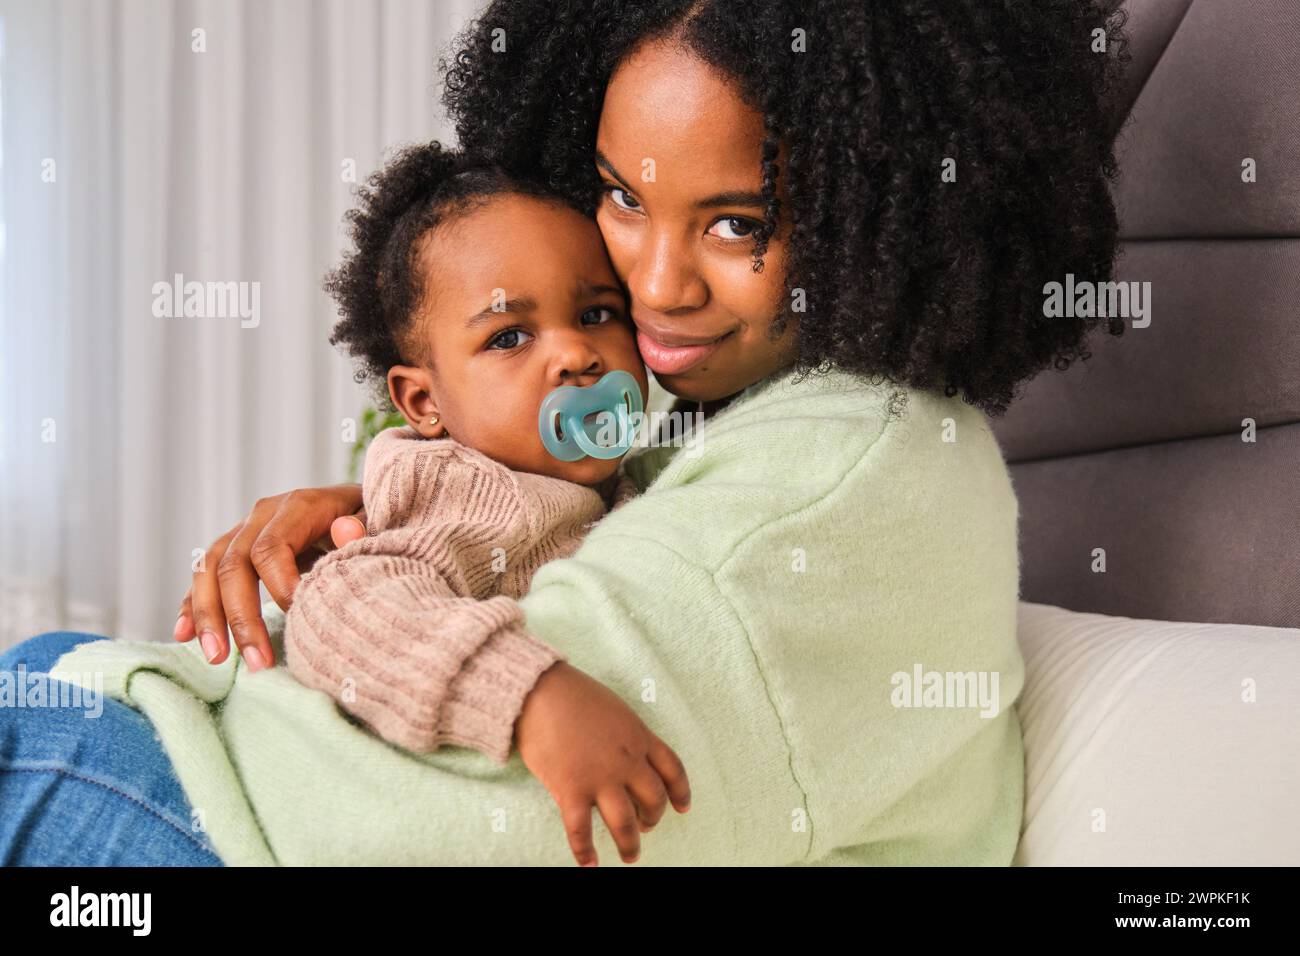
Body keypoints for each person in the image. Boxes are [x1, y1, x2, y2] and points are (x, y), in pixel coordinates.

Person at [1, 0, 1128, 866]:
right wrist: (359, 510)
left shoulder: (846, 467)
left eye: (738, 224)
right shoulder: (689, 421)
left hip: (203, 799)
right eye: (622, 198)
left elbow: (521, 821)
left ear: (883, 206)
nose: (648, 284)